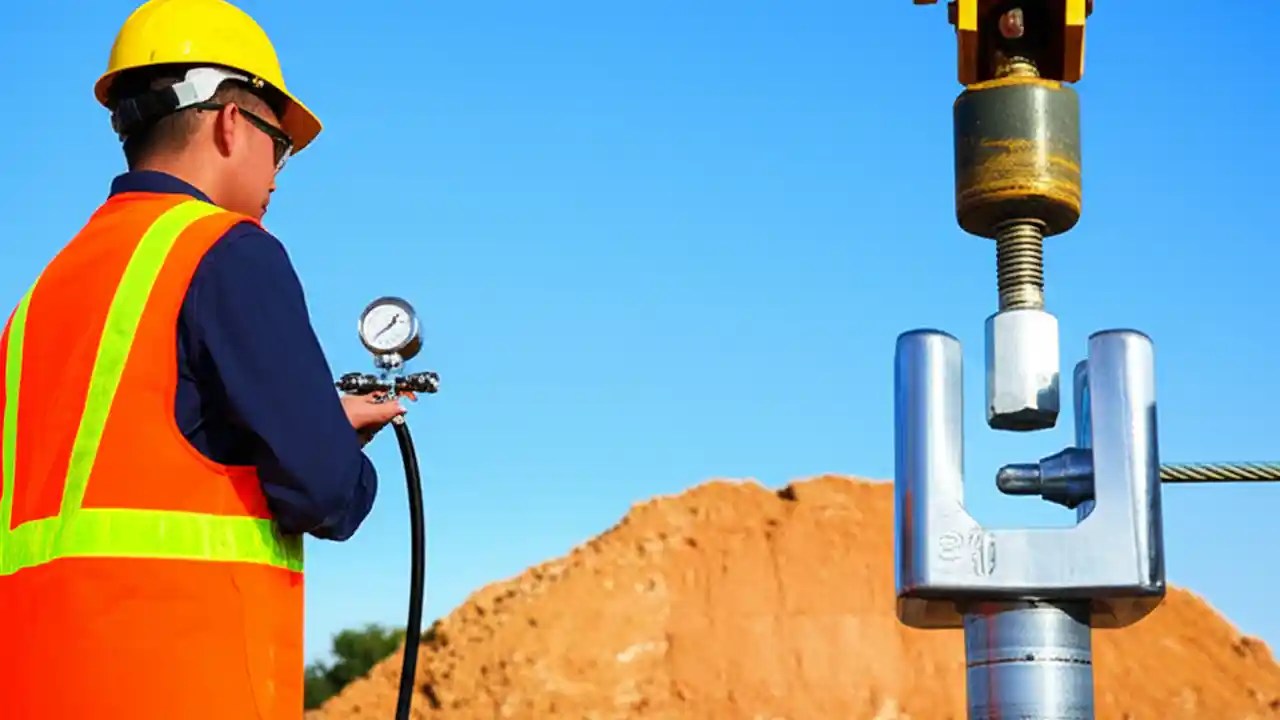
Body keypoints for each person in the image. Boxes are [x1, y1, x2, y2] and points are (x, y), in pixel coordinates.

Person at [0, 0, 406, 717]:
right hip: (184, 683)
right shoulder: (228, 252)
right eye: (280, 145)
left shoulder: (41, 298)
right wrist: (335, 444)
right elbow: (323, 492)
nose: (280, 173)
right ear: (228, 122)